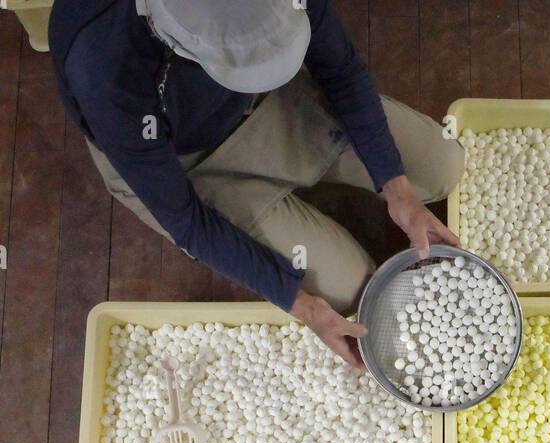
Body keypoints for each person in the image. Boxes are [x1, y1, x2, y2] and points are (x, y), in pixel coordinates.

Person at [49, 0, 464, 366]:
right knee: (349, 288)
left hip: (267, 102)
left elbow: (342, 74)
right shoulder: (105, 69)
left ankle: (277, 119)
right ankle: (269, 202)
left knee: (443, 165)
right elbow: (189, 222)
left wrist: (399, 191)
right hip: (189, 163)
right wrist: (303, 307)